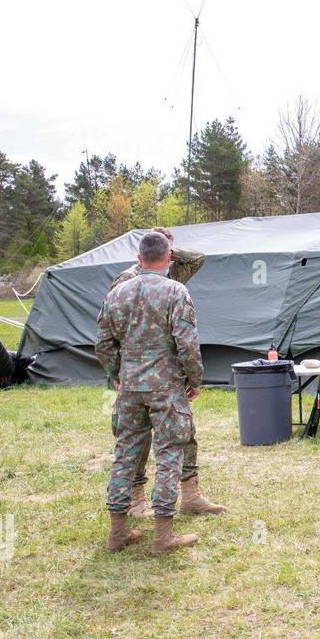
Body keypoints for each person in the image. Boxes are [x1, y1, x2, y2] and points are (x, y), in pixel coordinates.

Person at [96, 230, 204, 554]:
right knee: (170, 454)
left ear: (139, 259)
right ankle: (163, 537)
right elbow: (188, 344)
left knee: (125, 455)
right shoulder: (176, 291)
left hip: (129, 388)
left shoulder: (118, 293)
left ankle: (118, 532)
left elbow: (102, 343)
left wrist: (117, 373)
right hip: (166, 388)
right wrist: (194, 379)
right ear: (169, 258)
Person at [108, 227, 226, 517]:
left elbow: (197, 259)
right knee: (139, 439)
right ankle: (136, 499)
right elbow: (110, 329)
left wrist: (168, 250)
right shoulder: (126, 280)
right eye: (165, 251)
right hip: (138, 374)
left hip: (169, 374)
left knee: (183, 433)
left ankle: (191, 494)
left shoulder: (172, 276)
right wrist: (116, 372)